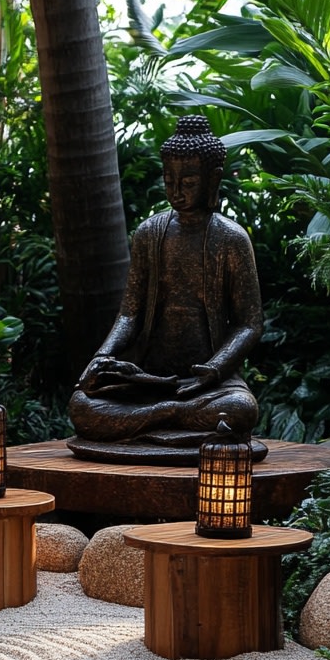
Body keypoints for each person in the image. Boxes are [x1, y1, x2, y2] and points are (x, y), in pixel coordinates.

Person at [68, 114, 263, 451]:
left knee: (241, 410)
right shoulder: (151, 233)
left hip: (206, 385)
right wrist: (102, 356)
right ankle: (171, 415)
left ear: (212, 179)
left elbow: (250, 323)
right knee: (81, 406)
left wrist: (215, 368)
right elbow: (129, 314)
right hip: (144, 378)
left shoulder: (230, 239)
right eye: (169, 179)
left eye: (187, 182)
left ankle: (150, 421)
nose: (176, 190)